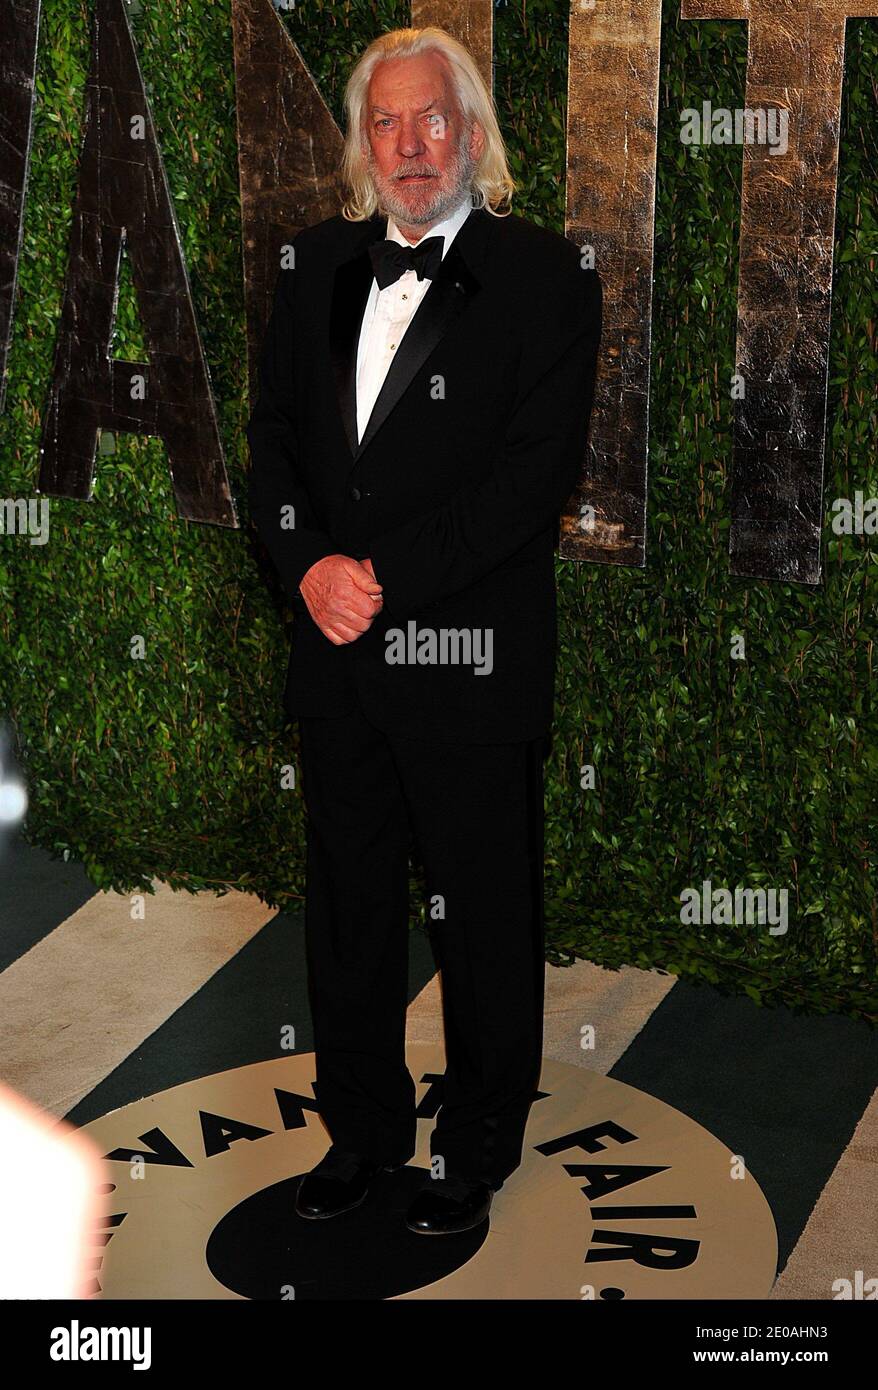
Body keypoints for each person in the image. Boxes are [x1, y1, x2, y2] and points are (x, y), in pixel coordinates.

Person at [246, 24, 601, 1236]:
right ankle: (357, 1130)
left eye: (430, 119)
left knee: (481, 905)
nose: (408, 145)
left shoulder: (545, 276)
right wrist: (307, 572)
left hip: (469, 660)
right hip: (337, 658)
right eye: (385, 123)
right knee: (348, 907)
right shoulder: (309, 267)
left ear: (470, 132)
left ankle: (477, 1143)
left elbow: (524, 487)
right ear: (361, 141)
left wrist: (376, 579)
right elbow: (274, 453)